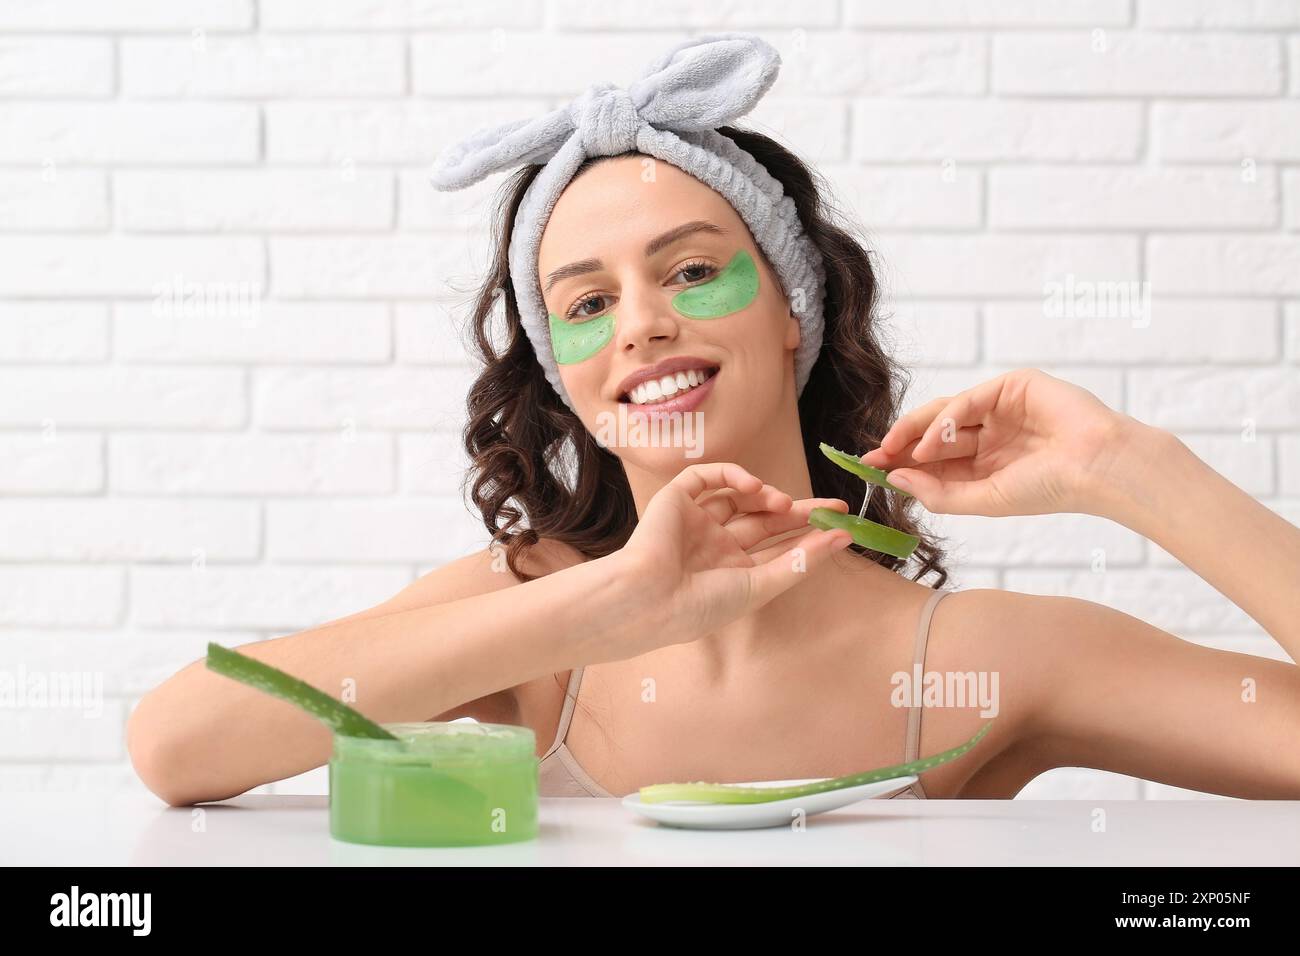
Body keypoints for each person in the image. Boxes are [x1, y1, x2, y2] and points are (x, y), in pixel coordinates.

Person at [128, 34, 1300, 807]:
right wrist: (609, 602)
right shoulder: (534, 615)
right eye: (585, 304)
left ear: (794, 310)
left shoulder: (981, 659)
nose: (636, 326)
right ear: (562, 368)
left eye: (690, 273)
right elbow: (178, 744)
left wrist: (1128, 467)